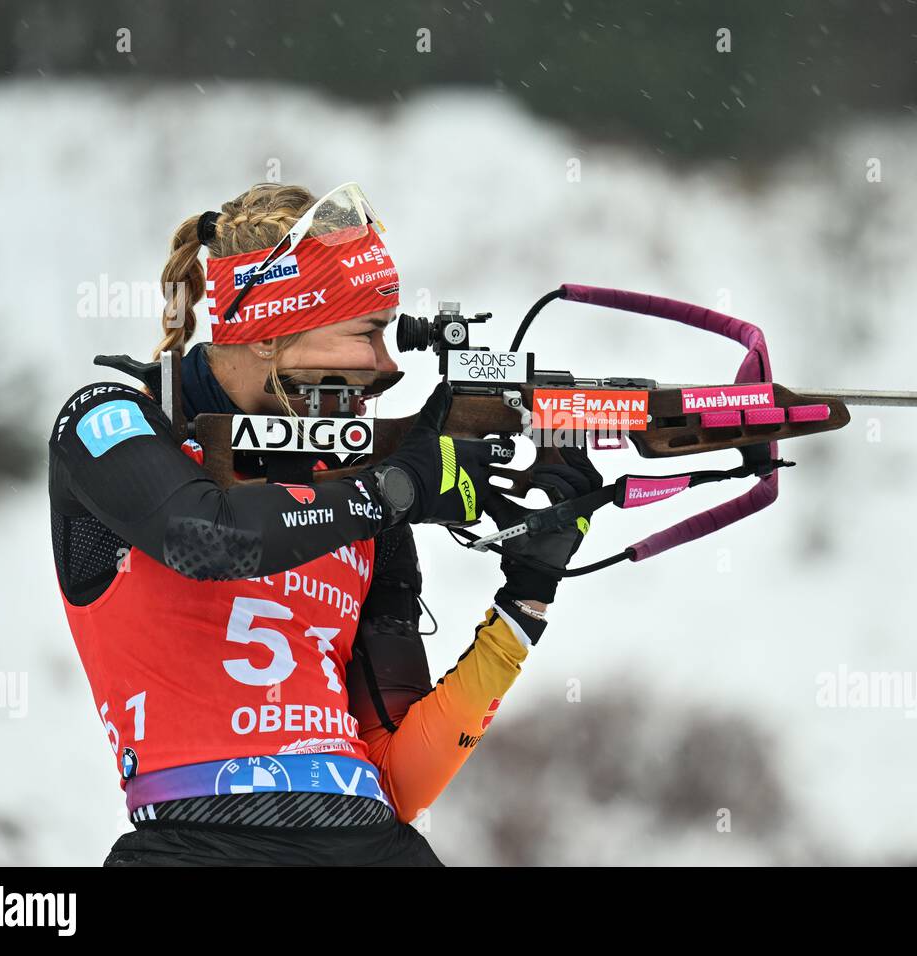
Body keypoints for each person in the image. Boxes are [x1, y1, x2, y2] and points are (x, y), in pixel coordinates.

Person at [47, 182, 600, 865]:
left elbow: (401, 778)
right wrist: (394, 490)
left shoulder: (356, 487)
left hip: (374, 845)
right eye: (366, 332)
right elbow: (204, 534)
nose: (388, 365)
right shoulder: (112, 422)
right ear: (272, 330)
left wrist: (526, 599)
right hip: (193, 845)